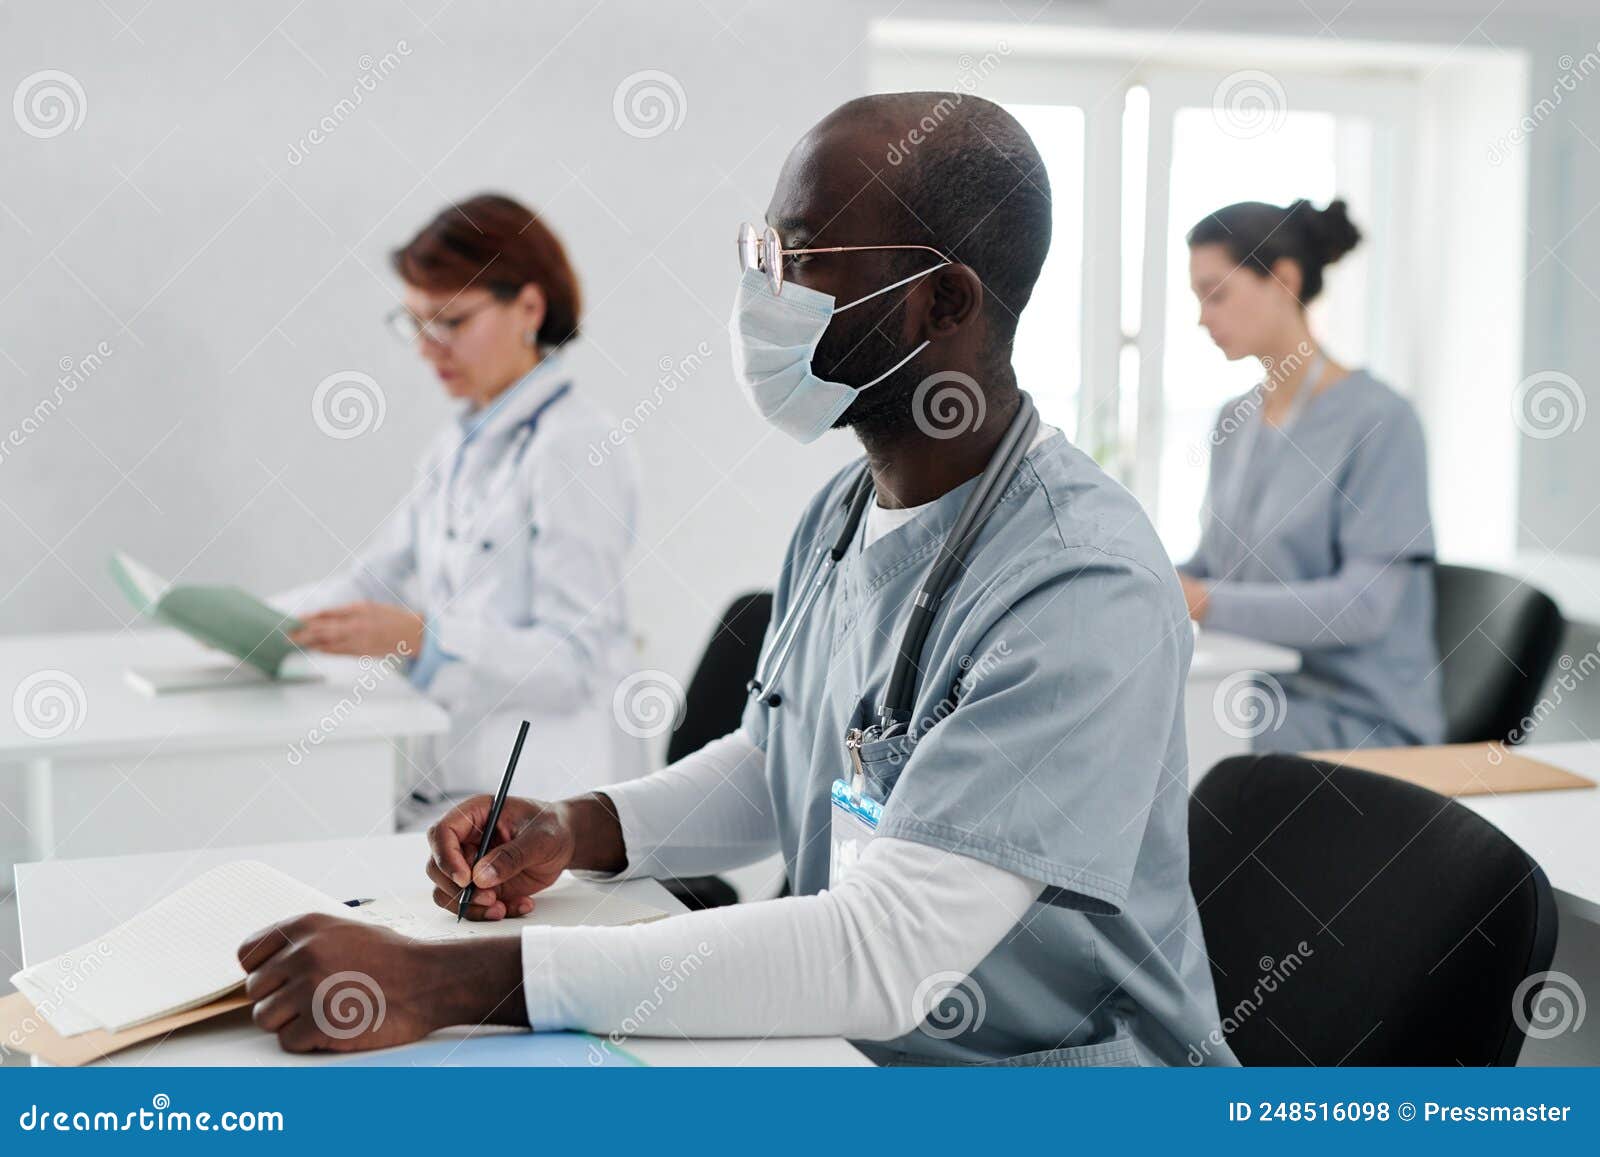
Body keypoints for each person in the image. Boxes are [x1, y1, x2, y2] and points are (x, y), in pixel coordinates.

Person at [238, 95, 1232, 1067]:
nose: (765, 291)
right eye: (763, 252)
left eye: (803, 258)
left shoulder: (1077, 583)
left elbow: (885, 953)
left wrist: (441, 982)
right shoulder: (846, 513)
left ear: (943, 301)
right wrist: (579, 826)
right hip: (846, 1048)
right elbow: (778, 759)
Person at [278, 194, 639, 817]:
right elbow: (371, 580)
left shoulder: (574, 446)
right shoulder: (456, 446)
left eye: (450, 321)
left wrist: (427, 638)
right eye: (415, 323)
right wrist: (259, 625)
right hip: (455, 783)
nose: (427, 348)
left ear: (528, 307)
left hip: (546, 798)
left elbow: (575, 662)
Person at [1178, 198, 1444, 752]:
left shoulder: (1381, 421)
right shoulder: (1236, 419)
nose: (1203, 317)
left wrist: (1205, 602)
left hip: (1353, 718)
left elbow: (1365, 607)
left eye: (1217, 293)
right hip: (1252, 692)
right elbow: (1210, 568)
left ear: (1284, 280)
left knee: (1161, 738)